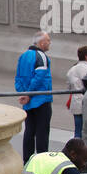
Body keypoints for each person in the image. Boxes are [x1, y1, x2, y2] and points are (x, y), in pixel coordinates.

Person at [15, 31, 53, 162]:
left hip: (29, 100)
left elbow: (18, 77)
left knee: (29, 131)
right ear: (42, 43)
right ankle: (42, 160)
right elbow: (40, 78)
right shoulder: (41, 56)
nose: (49, 43)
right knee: (42, 132)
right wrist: (29, 94)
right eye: (48, 40)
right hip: (41, 99)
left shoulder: (24, 55)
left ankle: (28, 160)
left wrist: (23, 93)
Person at [65, 45, 87, 137]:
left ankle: (77, 150)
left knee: (78, 131)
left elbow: (68, 87)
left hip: (76, 104)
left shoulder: (72, 69)